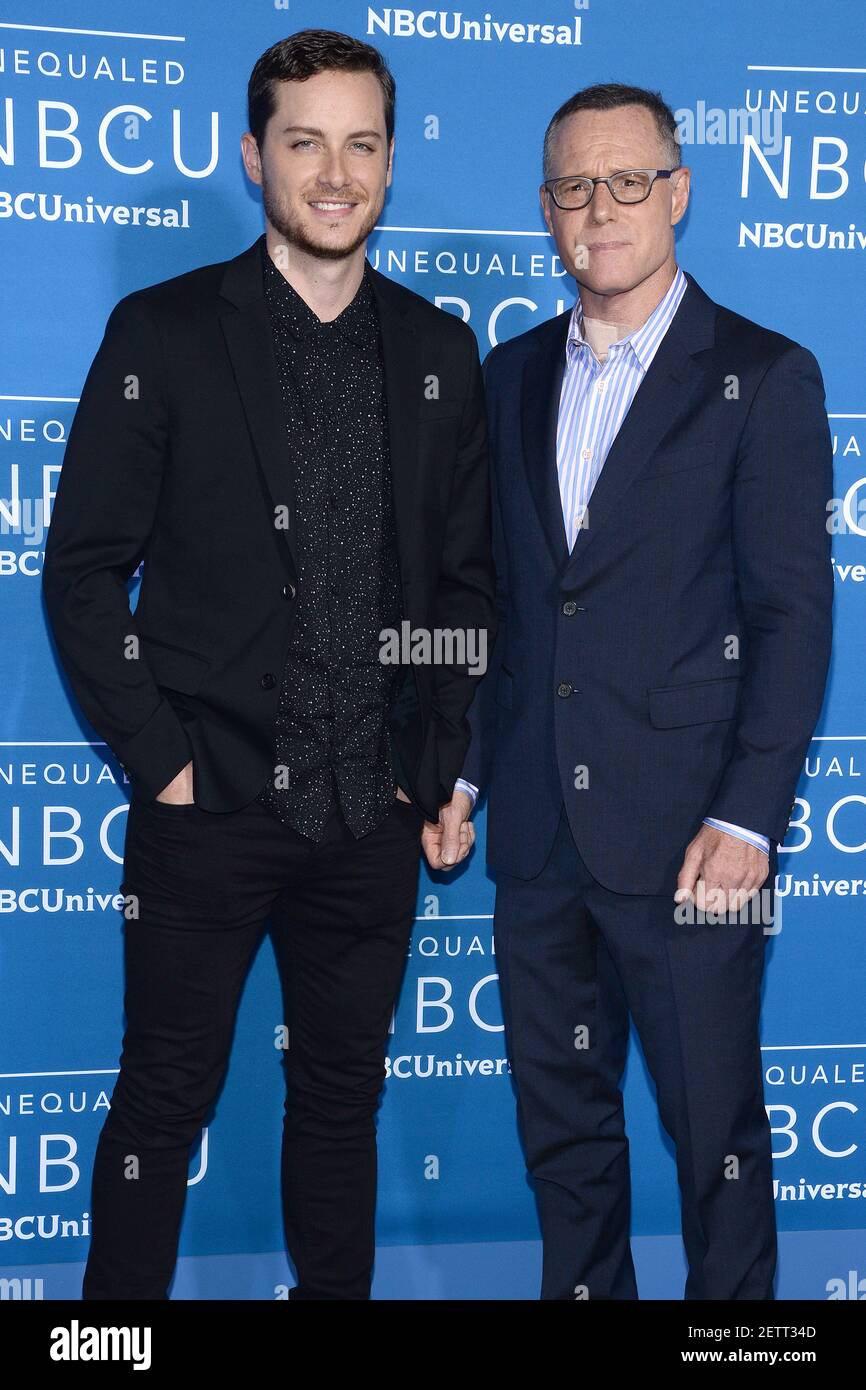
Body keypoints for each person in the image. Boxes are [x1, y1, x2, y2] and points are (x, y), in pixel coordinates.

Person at [42, 28, 495, 1301]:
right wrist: (164, 758)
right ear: (255, 159)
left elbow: (459, 592)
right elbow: (82, 572)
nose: (334, 172)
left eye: (361, 145)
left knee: (340, 1108)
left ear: (392, 166)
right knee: (158, 1107)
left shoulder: (436, 352)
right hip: (211, 807)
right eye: (306, 142)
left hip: (371, 817)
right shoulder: (167, 330)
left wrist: (438, 759)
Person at [453, 82, 833, 1299]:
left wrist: (746, 818)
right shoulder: (504, 378)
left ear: (677, 191)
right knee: (562, 1139)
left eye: (626, 181)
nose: (598, 208)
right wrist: (462, 767)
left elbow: (790, 615)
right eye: (573, 186)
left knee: (714, 1136)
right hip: (536, 836)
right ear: (546, 209)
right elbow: (503, 609)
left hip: (692, 840)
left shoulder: (763, 376)